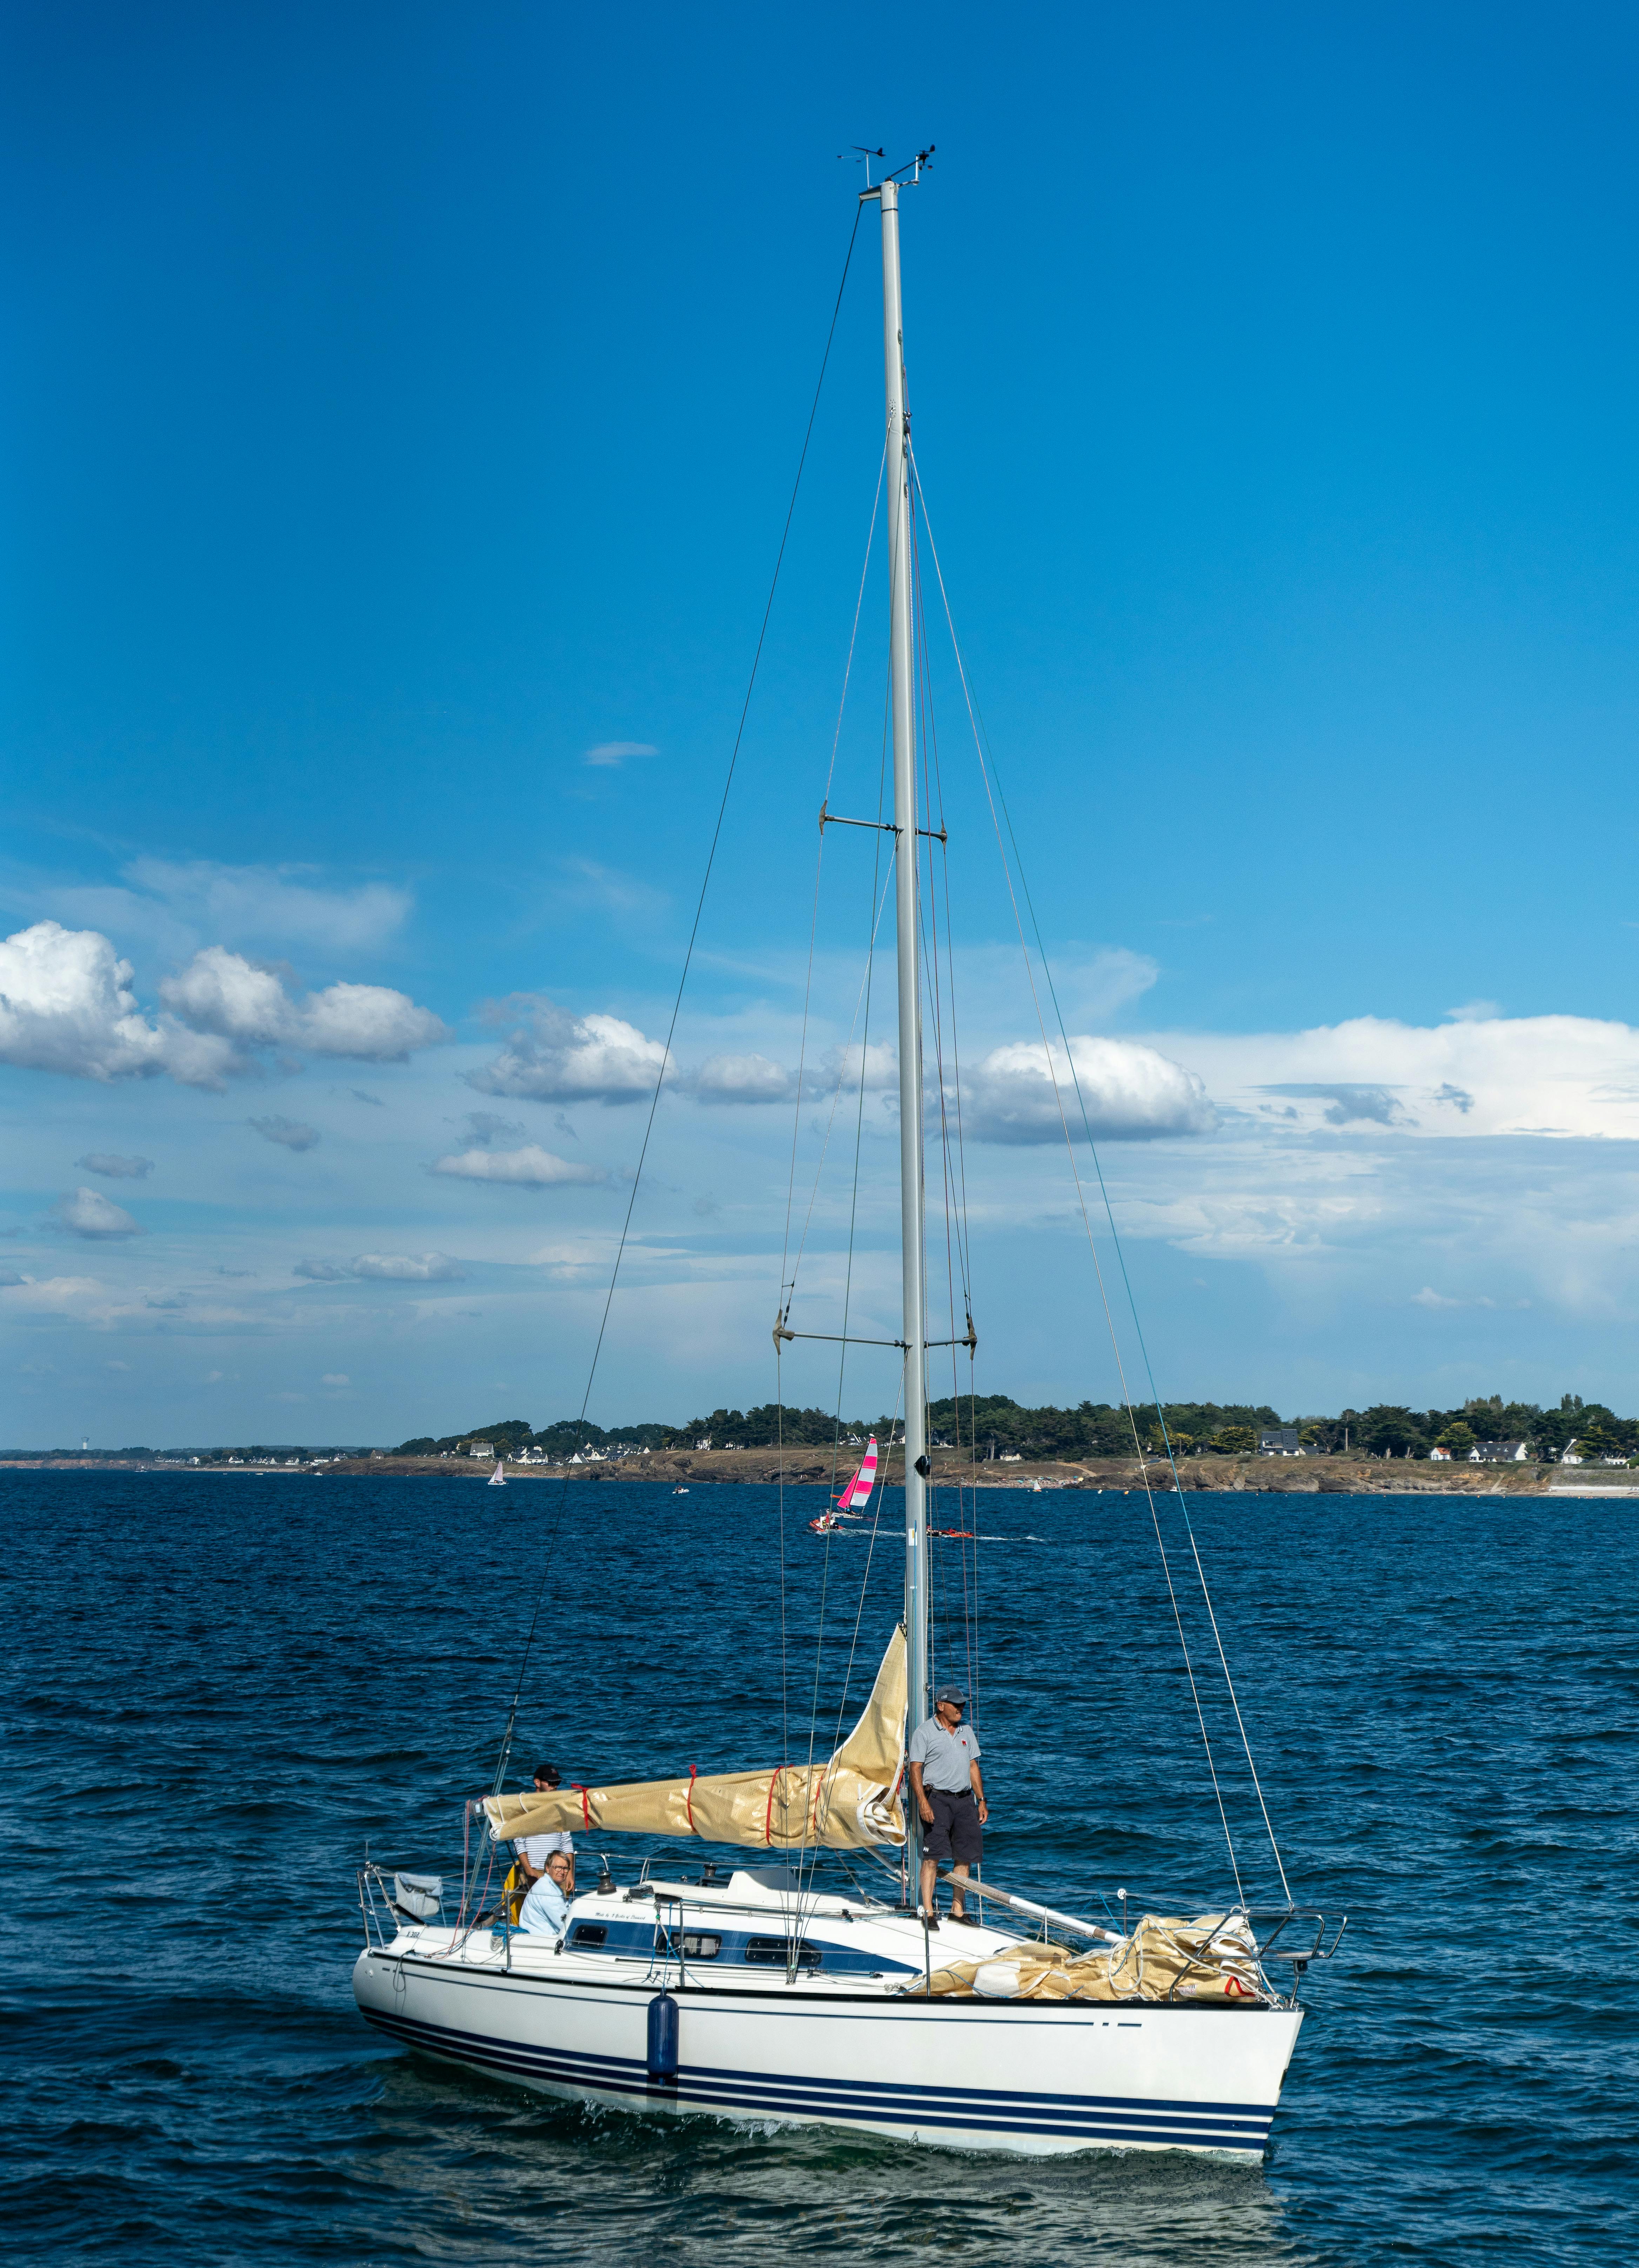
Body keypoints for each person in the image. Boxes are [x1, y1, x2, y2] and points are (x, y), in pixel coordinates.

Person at [907, 1683, 988, 1926]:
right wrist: (923, 1803)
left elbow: (973, 1766)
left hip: (965, 1801)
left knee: (965, 1856)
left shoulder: (966, 1732)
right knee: (932, 1857)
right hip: (937, 1801)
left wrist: (981, 1800)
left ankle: (957, 1911)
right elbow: (915, 1769)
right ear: (941, 1706)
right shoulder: (924, 1733)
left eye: (962, 1705)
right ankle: (928, 1912)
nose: (961, 1709)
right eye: (956, 1705)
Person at [515, 1762, 576, 1893]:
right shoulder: (526, 1808)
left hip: (559, 1871)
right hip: (535, 1872)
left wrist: (569, 1873)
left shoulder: (560, 1809)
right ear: (537, 1783)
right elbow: (519, 1841)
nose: (555, 1786)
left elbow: (566, 1843)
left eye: (557, 1783)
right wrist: (529, 1871)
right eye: (551, 1783)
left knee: (561, 1906)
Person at [517, 1848, 573, 1938]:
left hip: (537, 1934)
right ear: (548, 1868)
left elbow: (566, 1908)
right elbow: (565, 1925)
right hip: (540, 1939)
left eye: (565, 1869)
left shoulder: (548, 1884)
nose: (562, 1872)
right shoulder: (547, 1891)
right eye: (558, 1868)